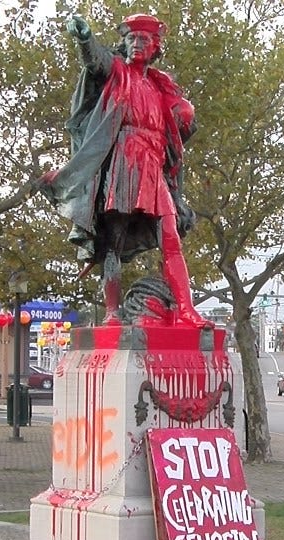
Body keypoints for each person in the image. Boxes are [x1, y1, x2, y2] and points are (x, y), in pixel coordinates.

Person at [38, 13, 211, 328]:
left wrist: (185, 115)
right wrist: (84, 38)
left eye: (143, 39)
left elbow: (177, 128)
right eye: (131, 39)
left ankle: (186, 310)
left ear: (155, 46)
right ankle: (113, 312)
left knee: (171, 236)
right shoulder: (118, 71)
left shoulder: (160, 86)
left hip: (153, 167)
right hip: (124, 163)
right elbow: (96, 60)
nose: (136, 44)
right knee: (112, 241)